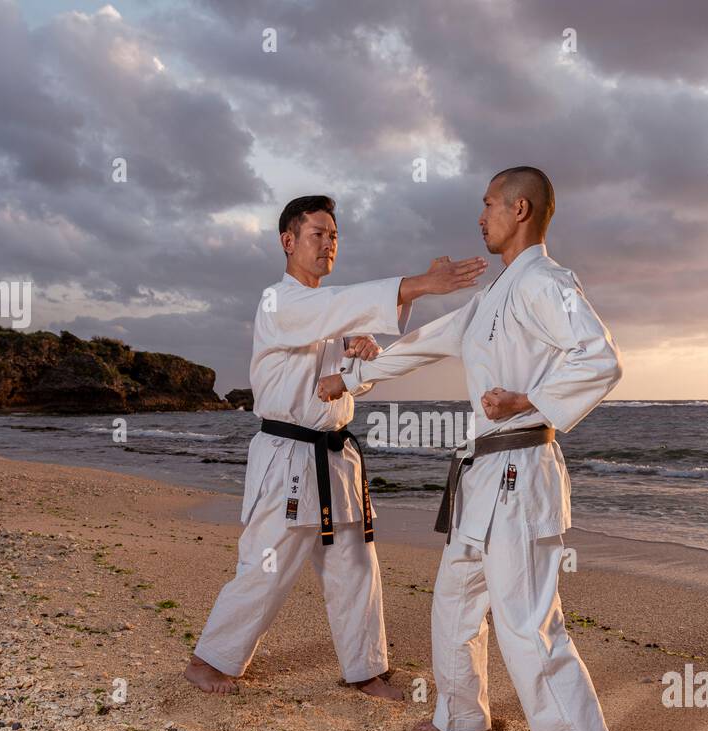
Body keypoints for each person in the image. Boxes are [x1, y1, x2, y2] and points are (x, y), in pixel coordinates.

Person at [319, 169, 633, 731]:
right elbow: (422, 345)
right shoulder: (494, 295)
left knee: (527, 623)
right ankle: (463, 718)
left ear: (520, 209)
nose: (480, 215)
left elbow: (600, 358)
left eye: (488, 204)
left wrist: (528, 398)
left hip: (521, 471)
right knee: (455, 603)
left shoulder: (547, 282)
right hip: (483, 477)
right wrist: (350, 377)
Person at [184, 194, 486, 699]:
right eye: (317, 234)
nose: (328, 244)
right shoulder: (278, 301)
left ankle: (365, 670)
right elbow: (333, 309)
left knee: (355, 565)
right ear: (288, 241)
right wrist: (420, 285)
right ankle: (209, 661)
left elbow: (351, 375)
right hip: (288, 458)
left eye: (334, 236)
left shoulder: (333, 316)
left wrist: (361, 355)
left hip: (337, 456)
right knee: (267, 563)